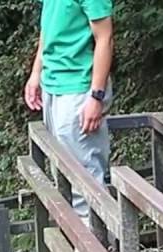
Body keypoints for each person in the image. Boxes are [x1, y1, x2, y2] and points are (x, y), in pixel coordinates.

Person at [24, 0, 114, 226]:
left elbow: (105, 38)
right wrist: (36, 73)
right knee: (62, 173)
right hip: (53, 85)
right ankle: (76, 248)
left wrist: (96, 96)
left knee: (84, 176)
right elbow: (48, 29)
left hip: (79, 88)